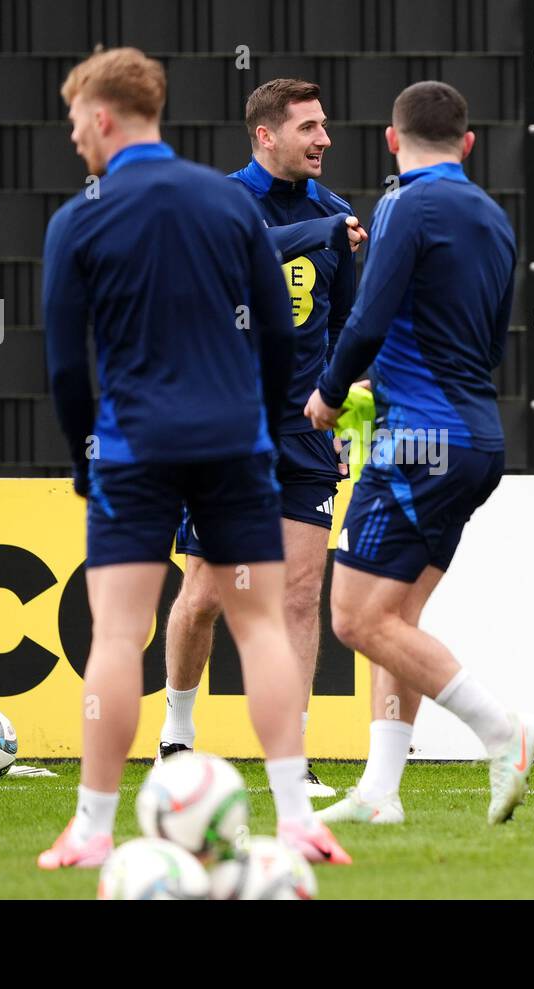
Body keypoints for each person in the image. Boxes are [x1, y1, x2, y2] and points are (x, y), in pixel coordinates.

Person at [38, 47, 349, 867]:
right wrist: (260, 418)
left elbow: (69, 366)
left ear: (103, 118)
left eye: (75, 122)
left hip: (135, 447)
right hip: (238, 441)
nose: (75, 139)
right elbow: (282, 338)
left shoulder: (80, 217)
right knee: (265, 625)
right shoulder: (226, 205)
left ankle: (94, 827)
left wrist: (84, 456)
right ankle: (295, 818)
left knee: (118, 632)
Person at [304, 81, 534, 826]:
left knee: (353, 618)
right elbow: (487, 335)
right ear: (468, 145)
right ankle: (381, 790)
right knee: (397, 614)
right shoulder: (493, 215)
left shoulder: (403, 204)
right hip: (477, 438)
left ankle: (502, 732)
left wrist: (328, 391)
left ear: (390, 139)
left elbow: (368, 318)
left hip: (419, 438)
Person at [160, 80, 366, 802]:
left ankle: (290, 754)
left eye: (325, 125)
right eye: (309, 127)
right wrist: (319, 236)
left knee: (302, 594)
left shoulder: (334, 214)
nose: (324, 140)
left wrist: (339, 397)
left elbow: (343, 323)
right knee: (209, 589)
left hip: (302, 426)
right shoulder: (217, 204)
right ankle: (176, 738)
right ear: (265, 136)